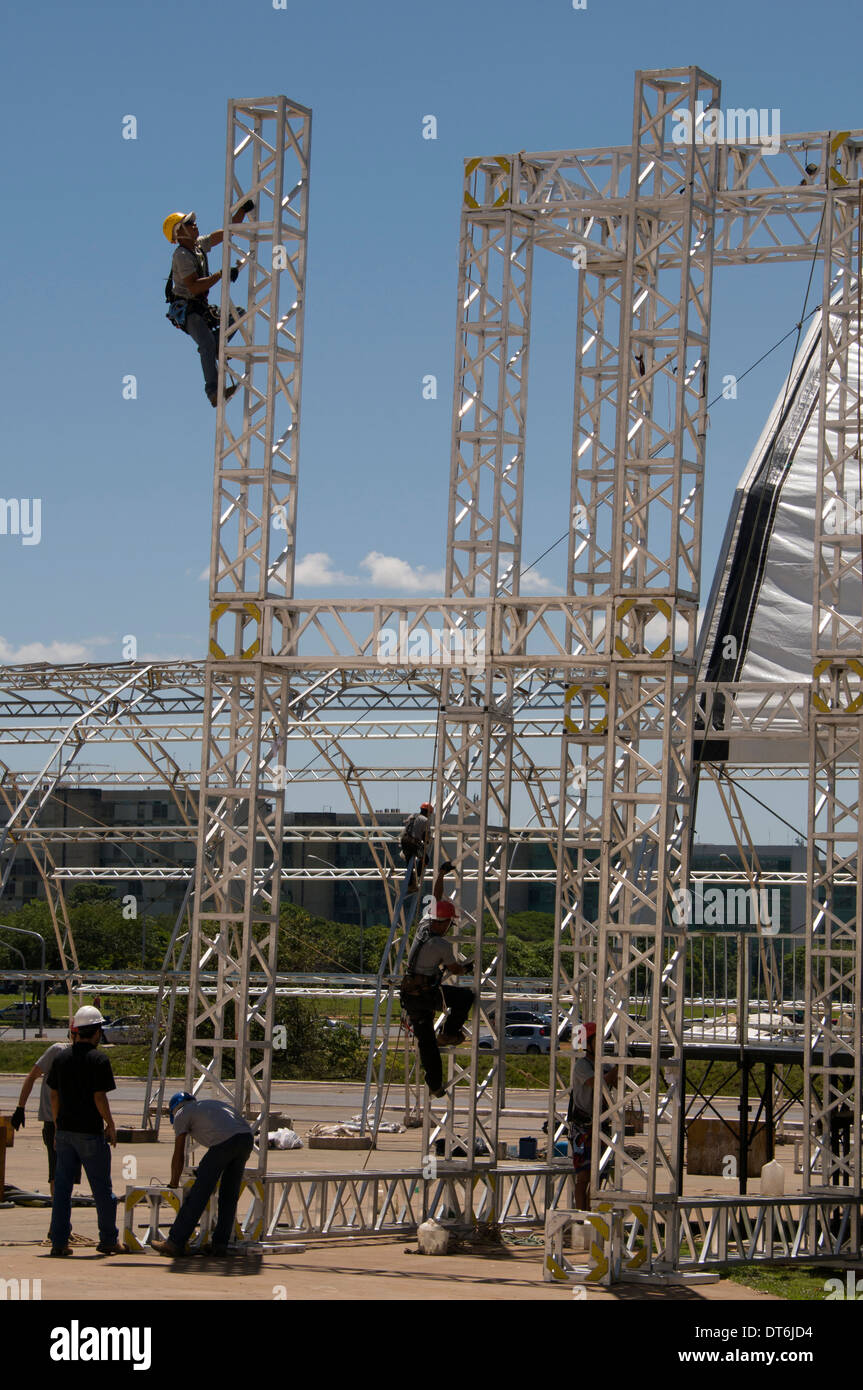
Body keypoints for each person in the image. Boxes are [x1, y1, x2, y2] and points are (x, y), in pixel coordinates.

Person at [46, 1005, 125, 1257]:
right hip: (90, 1133)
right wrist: (110, 1125)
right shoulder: (99, 1059)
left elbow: (54, 1094)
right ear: (97, 1032)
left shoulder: (61, 1058)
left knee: (62, 1190)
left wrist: (58, 1124)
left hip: (65, 1132)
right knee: (101, 1189)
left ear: (76, 1031)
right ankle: (108, 1240)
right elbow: (99, 1097)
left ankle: (59, 1242)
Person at [162, 199, 255, 407]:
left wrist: (241, 213)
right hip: (188, 310)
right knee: (205, 343)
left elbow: (223, 234)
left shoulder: (197, 247)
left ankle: (214, 346)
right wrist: (221, 274)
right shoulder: (181, 255)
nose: (194, 225)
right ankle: (213, 391)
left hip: (200, 308)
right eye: (189, 224)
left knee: (237, 314)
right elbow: (195, 287)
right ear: (179, 233)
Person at [399, 863, 474, 1097]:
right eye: (450, 923)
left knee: (426, 1042)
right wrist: (468, 966)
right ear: (444, 923)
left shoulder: (423, 927)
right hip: (426, 994)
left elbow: (436, 896)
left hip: (410, 996)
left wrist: (440, 874)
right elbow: (455, 970)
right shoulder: (440, 944)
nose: (450, 927)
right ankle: (450, 1031)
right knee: (464, 997)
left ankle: (435, 1085)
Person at [151, 1093, 254, 1258]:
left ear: (174, 1108)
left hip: (225, 1142)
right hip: (246, 1139)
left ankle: (175, 1242)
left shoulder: (181, 1114)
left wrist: (173, 1182)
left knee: (199, 1193)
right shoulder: (208, 1105)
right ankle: (220, 1245)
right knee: (229, 1195)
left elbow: (179, 1153)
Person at [12, 1030, 77, 1197]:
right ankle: (59, 1214)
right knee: (56, 1172)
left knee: (69, 1175)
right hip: (52, 1122)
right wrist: (20, 1107)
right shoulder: (57, 1051)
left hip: (74, 1123)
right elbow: (32, 1076)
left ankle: (62, 1211)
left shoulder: (87, 1057)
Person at [567, 1023, 618, 1209]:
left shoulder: (605, 1065)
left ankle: (591, 1213)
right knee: (584, 1176)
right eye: (598, 1040)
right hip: (583, 1127)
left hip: (601, 1125)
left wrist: (622, 1068)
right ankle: (581, 1215)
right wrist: (617, 1069)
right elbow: (597, 1083)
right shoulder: (583, 1065)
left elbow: (619, 1084)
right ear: (588, 1043)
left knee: (598, 1175)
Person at [399, 802, 433, 890]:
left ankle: (410, 885)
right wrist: (427, 842)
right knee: (425, 859)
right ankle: (417, 875)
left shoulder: (412, 816)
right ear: (428, 812)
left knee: (409, 862)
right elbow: (425, 838)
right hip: (413, 843)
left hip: (404, 841)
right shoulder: (425, 820)